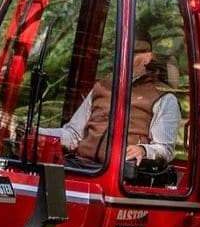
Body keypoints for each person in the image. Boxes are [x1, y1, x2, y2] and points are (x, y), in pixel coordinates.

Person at [58, 33, 181, 170]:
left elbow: (165, 149)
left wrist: (143, 150)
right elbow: (73, 134)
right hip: (82, 167)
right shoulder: (101, 87)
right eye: (119, 52)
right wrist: (38, 133)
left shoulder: (163, 97)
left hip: (122, 175)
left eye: (131, 53)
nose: (122, 58)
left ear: (147, 57)